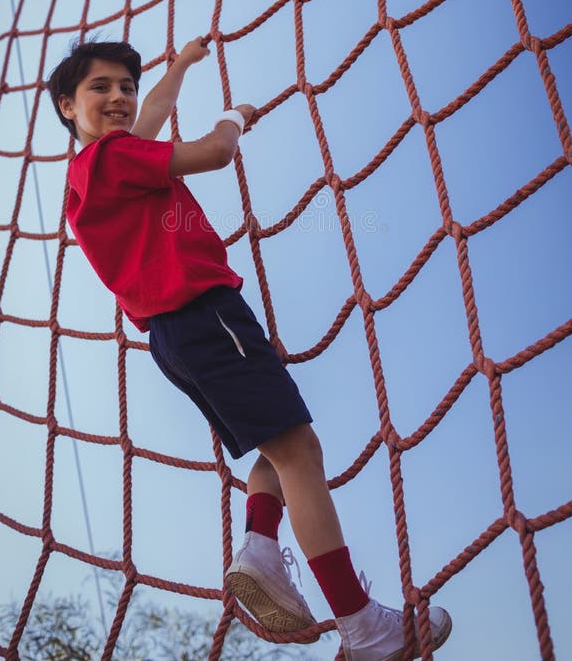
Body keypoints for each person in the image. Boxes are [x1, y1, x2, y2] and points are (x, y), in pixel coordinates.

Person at [47, 36, 452, 660]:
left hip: (174, 338)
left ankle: (263, 548)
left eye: (124, 86)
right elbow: (213, 153)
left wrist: (179, 65)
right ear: (67, 107)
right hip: (206, 313)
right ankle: (363, 626)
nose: (120, 97)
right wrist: (234, 119)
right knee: (298, 452)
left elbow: (151, 113)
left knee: (282, 445)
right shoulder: (113, 159)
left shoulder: (92, 173)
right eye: (99, 88)